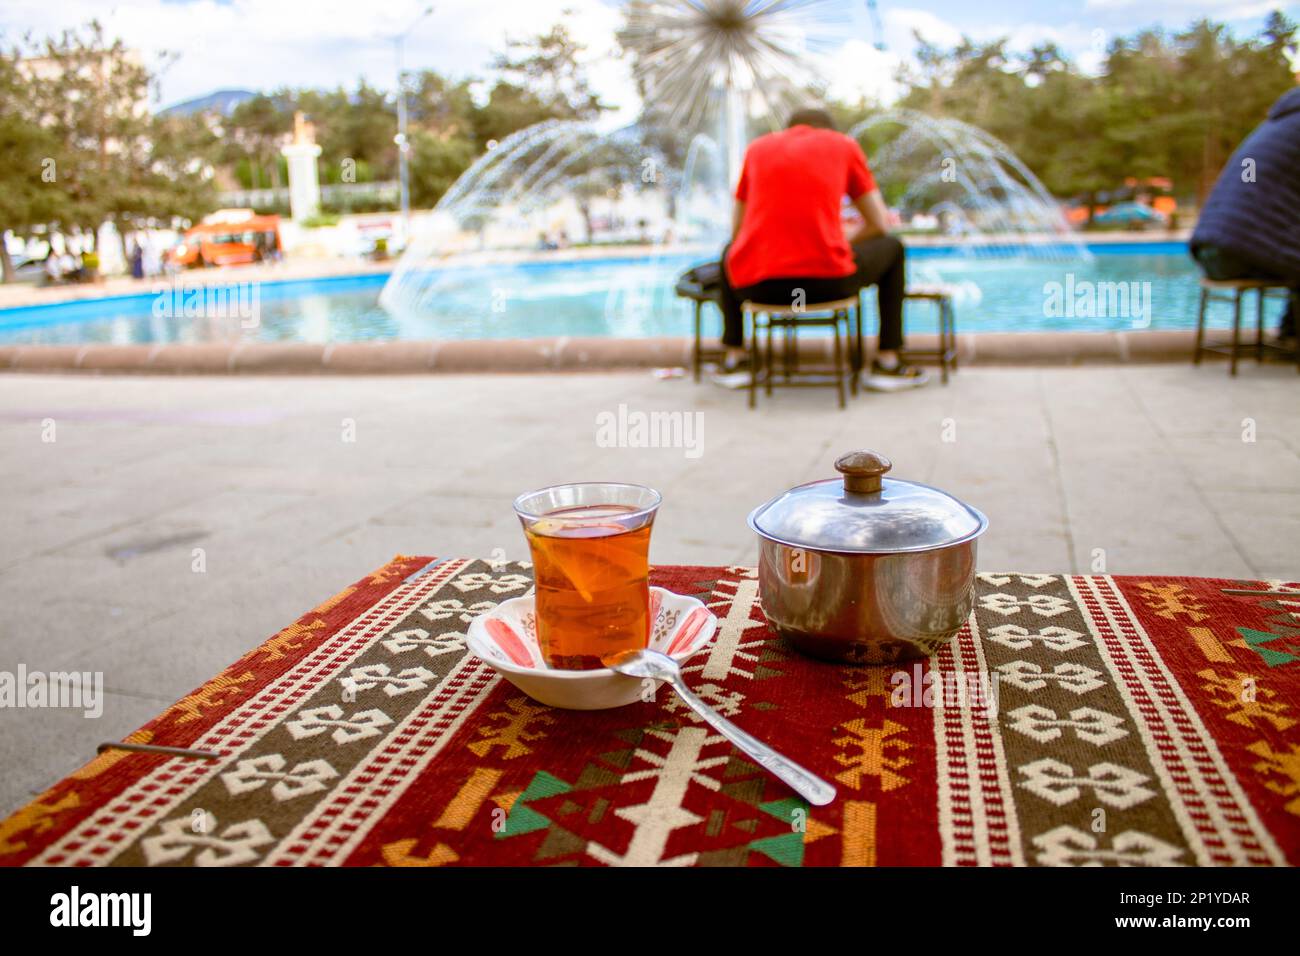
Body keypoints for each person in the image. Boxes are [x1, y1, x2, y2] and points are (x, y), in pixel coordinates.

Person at [715, 107, 924, 385]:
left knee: (731, 249)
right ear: (828, 130)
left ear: (788, 128)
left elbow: (738, 231)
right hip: (827, 284)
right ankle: (887, 361)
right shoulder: (843, 144)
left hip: (760, 289)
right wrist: (839, 240)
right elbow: (879, 223)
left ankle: (735, 358)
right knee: (892, 247)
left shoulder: (757, 149)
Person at [1191, 86, 1300, 341]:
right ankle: (1292, 338)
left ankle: (1290, 336)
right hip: (1238, 251)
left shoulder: (1276, 125)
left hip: (1210, 249)